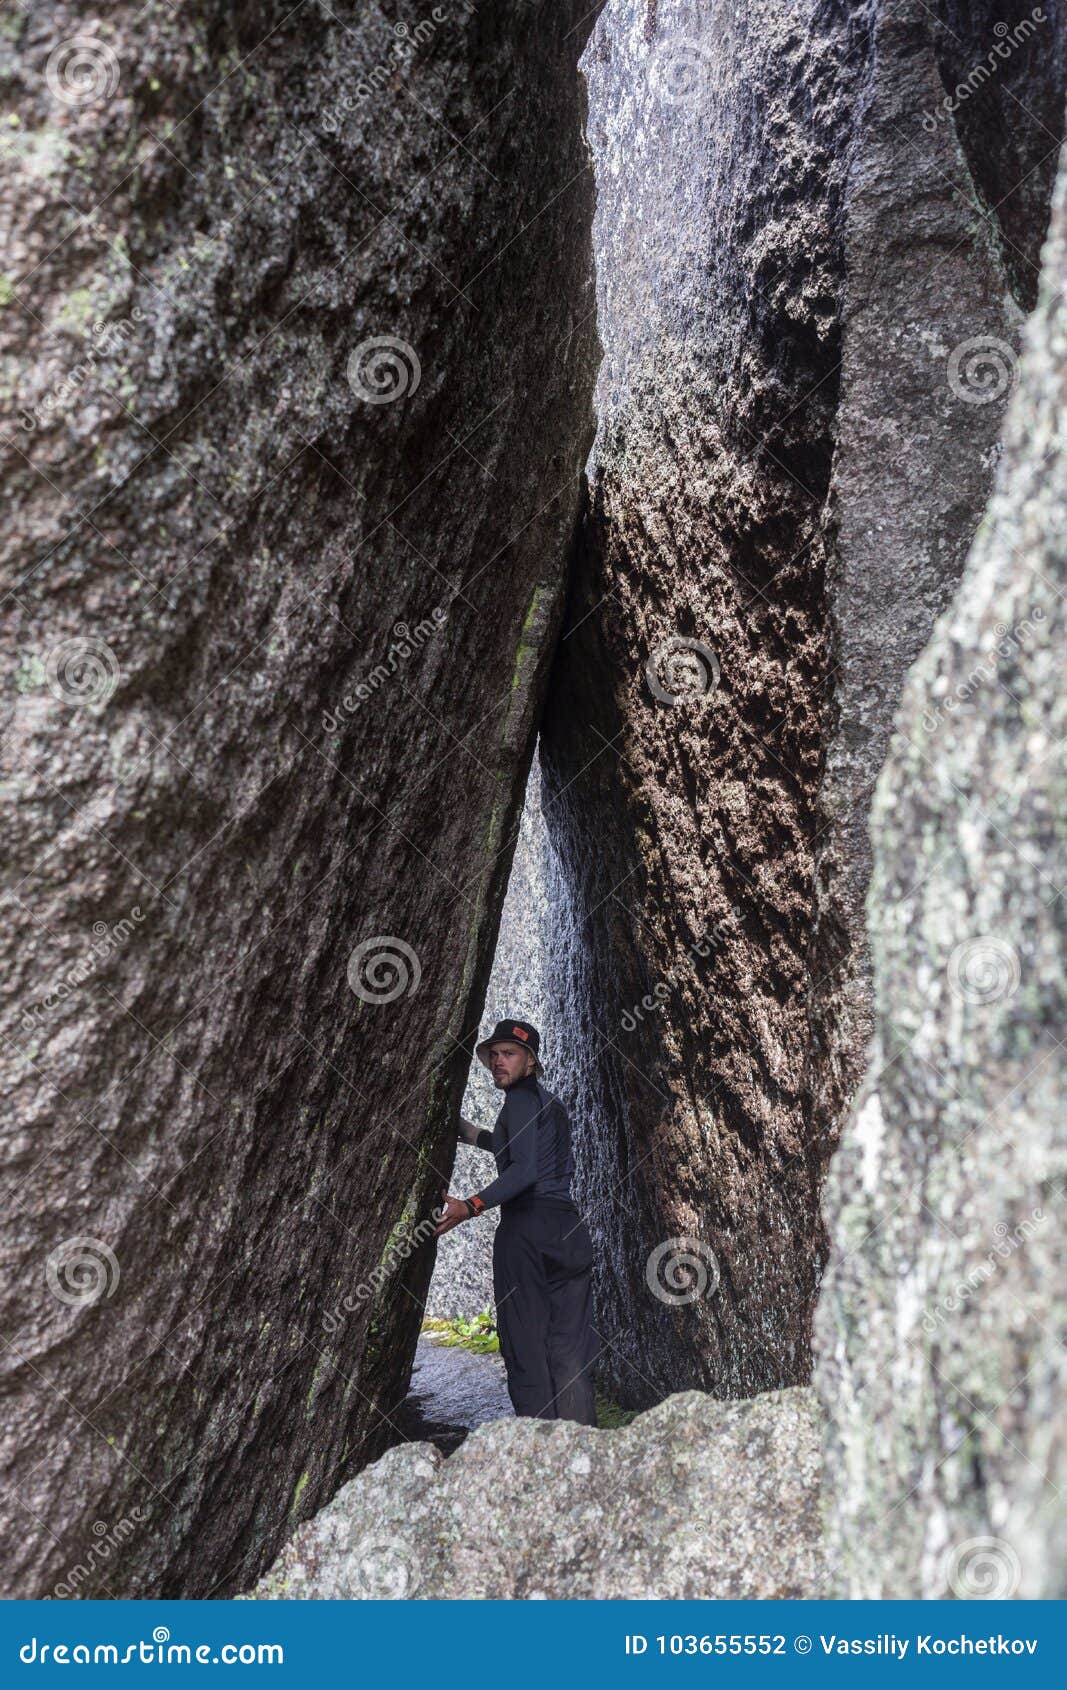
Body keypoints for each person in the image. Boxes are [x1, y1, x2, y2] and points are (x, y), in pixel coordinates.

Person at [435, 1018, 600, 1426]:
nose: (498, 1062)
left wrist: (469, 1206)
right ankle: (584, 1449)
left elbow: (524, 1170)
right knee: (569, 1351)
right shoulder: (551, 1105)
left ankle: (539, 1454)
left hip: (527, 1230)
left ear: (531, 1062)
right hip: (568, 1232)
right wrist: (475, 1136)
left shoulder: (518, 1101)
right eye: (493, 1056)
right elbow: (527, 1150)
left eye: (508, 1054)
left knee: (525, 1346)